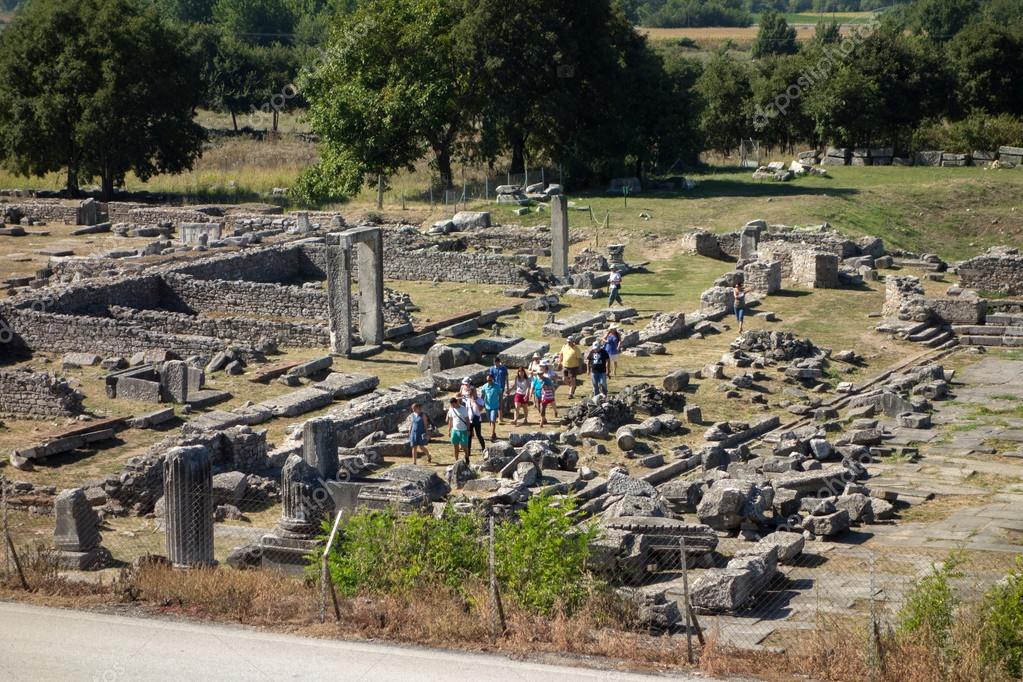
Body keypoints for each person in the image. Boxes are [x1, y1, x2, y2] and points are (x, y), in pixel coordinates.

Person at [459, 378, 487, 455]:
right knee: (469, 436)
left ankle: (484, 448)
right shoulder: (468, 401)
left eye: (472, 393)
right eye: (470, 393)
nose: (471, 395)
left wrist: (475, 402)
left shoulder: (480, 400)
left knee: (479, 435)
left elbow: (480, 409)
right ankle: (468, 451)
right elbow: (466, 409)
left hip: (477, 420)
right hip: (470, 420)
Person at [557, 335, 583, 399]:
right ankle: (573, 386)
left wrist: (580, 367)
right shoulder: (564, 346)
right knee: (564, 380)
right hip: (565, 366)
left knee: (572, 380)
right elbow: (561, 354)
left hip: (573, 367)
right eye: (568, 342)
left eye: (570, 342)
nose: (569, 343)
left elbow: (580, 359)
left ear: (573, 342)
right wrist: (559, 362)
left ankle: (570, 394)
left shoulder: (576, 349)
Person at [446, 397, 470, 463]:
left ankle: (467, 457)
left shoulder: (463, 409)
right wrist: (449, 430)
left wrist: (468, 430)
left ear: (457, 402)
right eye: (451, 405)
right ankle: (456, 460)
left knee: (465, 446)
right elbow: (450, 421)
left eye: (453, 404)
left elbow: (467, 420)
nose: (452, 406)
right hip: (455, 430)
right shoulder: (451, 409)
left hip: (463, 430)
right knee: (455, 446)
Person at [480, 373, 503, 441]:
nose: (489, 381)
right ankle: (493, 432)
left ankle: (492, 434)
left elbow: (500, 394)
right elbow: (483, 395)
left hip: (495, 406)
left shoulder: (497, 386)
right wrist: (481, 404)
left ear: (492, 379)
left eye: (490, 380)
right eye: (487, 380)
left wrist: (500, 404)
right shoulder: (484, 386)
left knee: (493, 420)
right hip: (487, 406)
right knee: (490, 421)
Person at [486, 357, 509, 423]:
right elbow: (490, 379)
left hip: (501, 388)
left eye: (497, 362)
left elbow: (506, 378)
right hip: (494, 388)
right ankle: (495, 417)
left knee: (500, 402)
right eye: (495, 362)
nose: (496, 363)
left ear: (499, 362)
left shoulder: (504, 368)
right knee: (494, 402)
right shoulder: (492, 369)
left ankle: (500, 418)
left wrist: (507, 388)